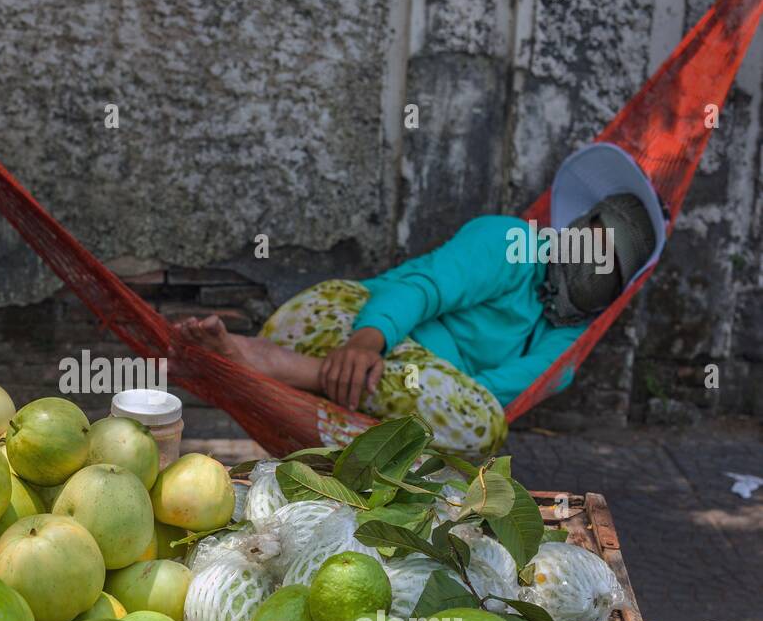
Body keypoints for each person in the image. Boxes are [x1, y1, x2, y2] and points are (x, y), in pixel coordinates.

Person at [176, 143, 665, 457]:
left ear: (617, 288)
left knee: (480, 428)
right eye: (590, 239)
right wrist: (366, 344)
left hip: (395, 397)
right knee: (444, 431)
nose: (588, 259)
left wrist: (394, 386)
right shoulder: (512, 243)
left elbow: (478, 398)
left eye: (607, 262)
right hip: (340, 327)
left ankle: (267, 367)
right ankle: (284, 370)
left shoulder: (565, 351)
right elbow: (425, 287)